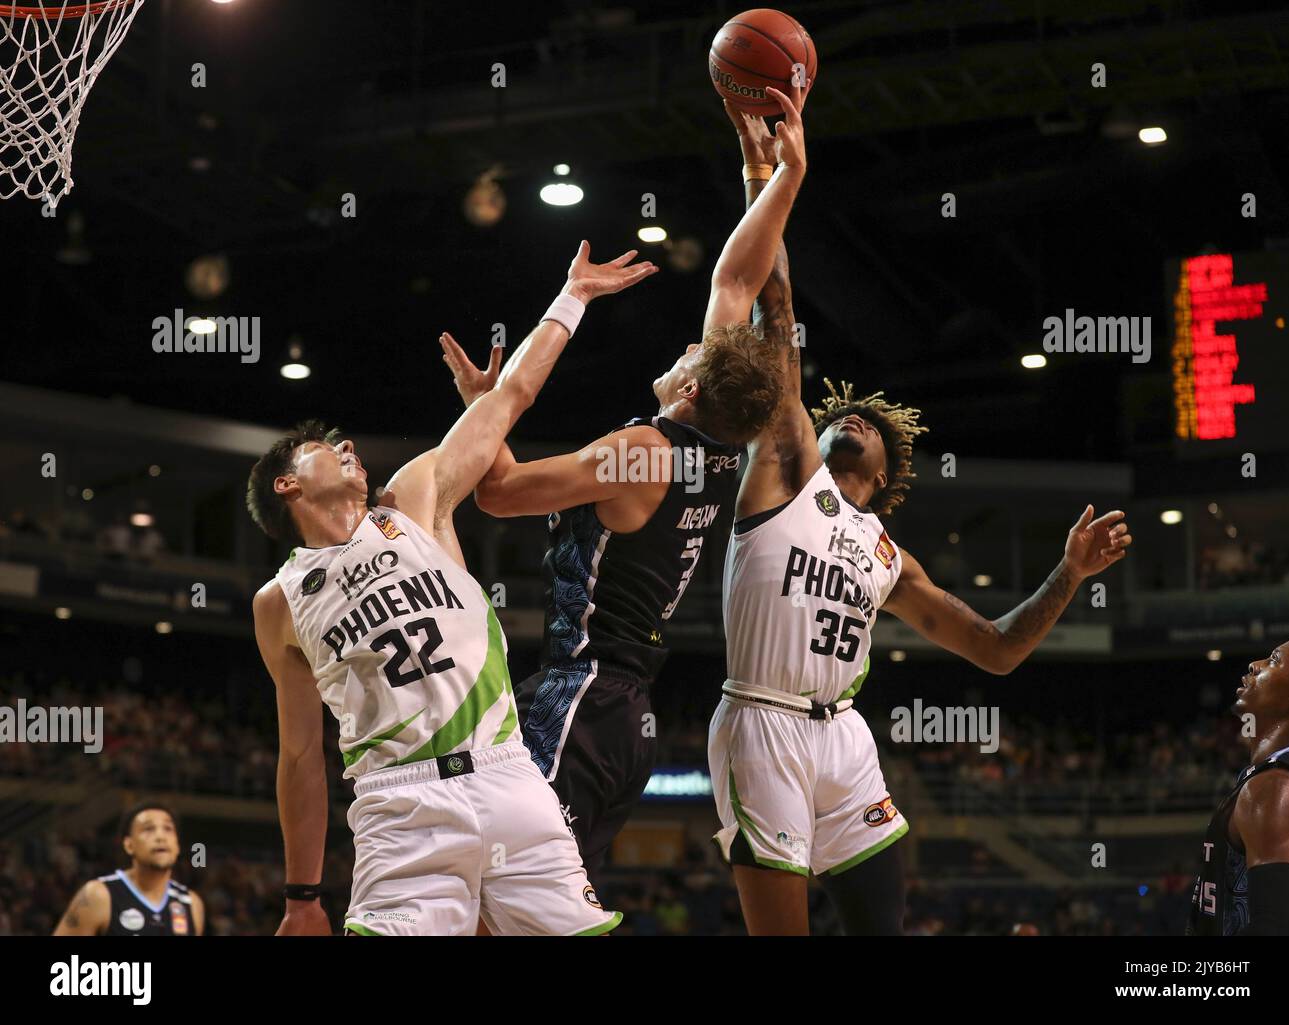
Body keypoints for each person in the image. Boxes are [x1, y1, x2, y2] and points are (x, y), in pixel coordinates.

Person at [709, 85, 1132, 936]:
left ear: (889, 469)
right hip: (762, 723)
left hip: (845, 741)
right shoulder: (788, 467)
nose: (851, 417)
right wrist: (769, 167)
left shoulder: (885, 555)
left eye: (867, 422)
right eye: (842, 416)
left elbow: (997, 649)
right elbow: (773, 301)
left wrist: (1069, 572)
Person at [436, 83, 807, 873]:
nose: (679, 355)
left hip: (585, 693)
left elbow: (497, 491)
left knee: (510, 892)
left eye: (689, 358)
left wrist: (486, 409)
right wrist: (775, 175)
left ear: (694, 386)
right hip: (624, 712)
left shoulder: (641, 451)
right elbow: (736, 285)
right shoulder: (718, 446)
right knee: (555, 903)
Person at [245, 242, 655, 935]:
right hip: (399, 805)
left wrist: (573, 297)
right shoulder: (279, 600)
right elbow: (298, 756)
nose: (345, 445)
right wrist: (301, 894)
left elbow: (513, 395)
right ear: (287, 483)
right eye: (323, 443)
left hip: (507, 773)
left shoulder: (413, 500)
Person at [1188, 639, 1289, 935]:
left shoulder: (1277, 786)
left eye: (1274, 660)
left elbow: (1276, 927)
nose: (1255, 664)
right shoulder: (1275, 775)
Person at [54, 802, 204, 936]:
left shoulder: (191, 903)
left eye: (168, 829)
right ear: (129, 845)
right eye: (149, 829)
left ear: (177, 846)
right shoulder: (98, 895)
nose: (161, 836)